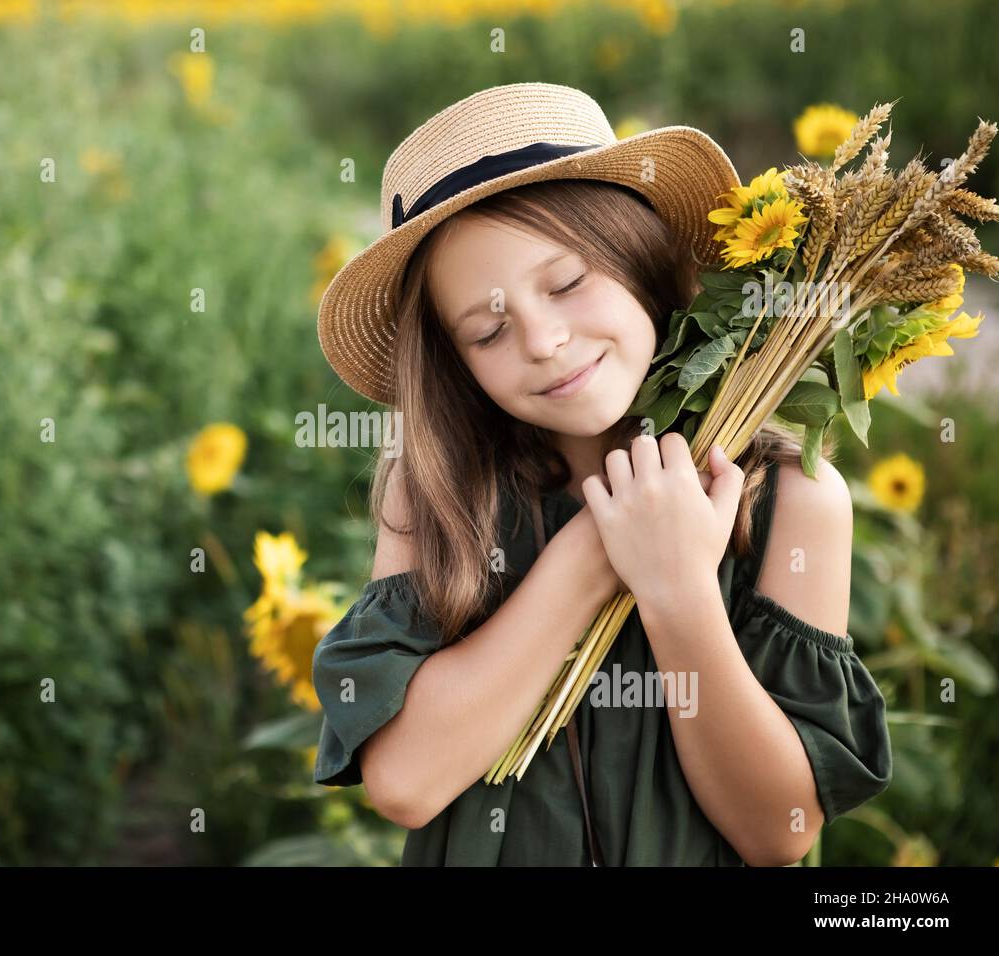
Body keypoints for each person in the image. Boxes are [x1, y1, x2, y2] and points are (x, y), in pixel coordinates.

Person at [310, 83, 892, 866]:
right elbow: (407, 783)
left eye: (567, 284)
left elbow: (779, 832)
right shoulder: (438, 494)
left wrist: (679, 593)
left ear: (643, 259)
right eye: (488, 330)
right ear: (454, 360)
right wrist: (591, 557)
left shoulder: (792, 501)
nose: (544, 340)